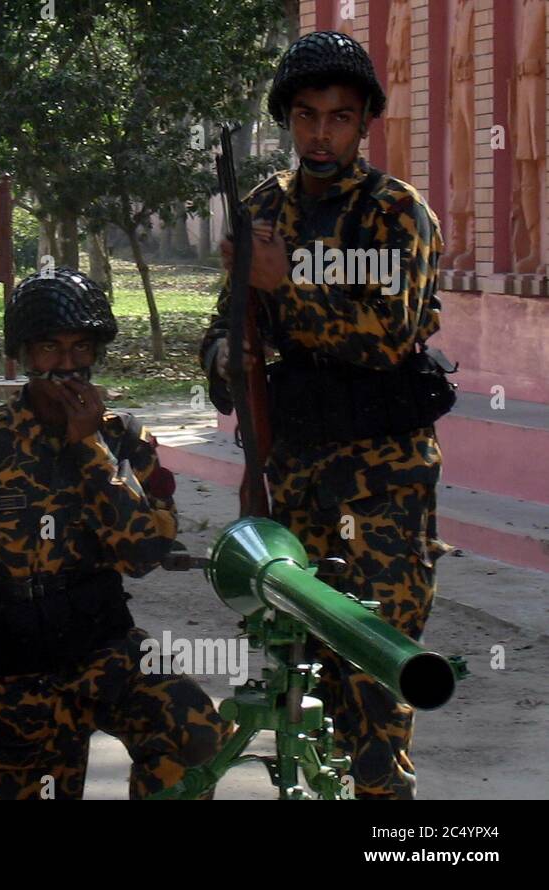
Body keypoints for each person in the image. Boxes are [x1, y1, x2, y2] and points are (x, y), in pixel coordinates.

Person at [200, 30, 451, 799]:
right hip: (293, 477)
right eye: (305, 116)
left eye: (338, 118)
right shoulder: (263, 207)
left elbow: (389, 338)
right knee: (296, 673)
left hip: (381, 489)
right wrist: (222, 360)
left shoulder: (399, 216)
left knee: (374, 685)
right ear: (287, 119)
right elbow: (223, 327)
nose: (320, 133)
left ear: (364, 123)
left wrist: (284, 285)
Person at [0, 268, 228, 800]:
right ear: (25, 356)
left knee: (193, 732)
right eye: (50, 348)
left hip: (103, 650)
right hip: (14, 668)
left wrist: (89, 447)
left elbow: (145, 551)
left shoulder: (124, 440)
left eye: (80, 347)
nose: (67, 364)